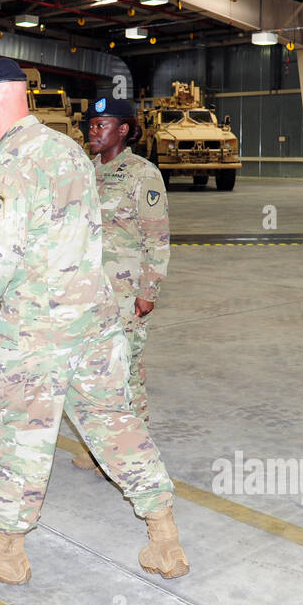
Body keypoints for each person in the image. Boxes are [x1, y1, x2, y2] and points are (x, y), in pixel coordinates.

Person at [0, 57, 189, 584]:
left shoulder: (12, 158)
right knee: (117, 425)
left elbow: (0, 252)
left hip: (39, 331)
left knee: (22, 436)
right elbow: (23, 213)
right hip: (92, 322)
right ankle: (165, 538)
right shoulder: (63, 148)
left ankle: (6, 550)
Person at [72, 97, 170, 471]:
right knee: (94, 373)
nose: (92, 132)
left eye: (101, 125)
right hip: (88, 293)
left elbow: (156, 237)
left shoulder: (143, 174)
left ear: (124, 130)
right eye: (91, 125)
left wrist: (149, 291)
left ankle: (136, 452)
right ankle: (103, 447)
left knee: (127, 371)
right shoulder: (86, 170)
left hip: (125, 294)